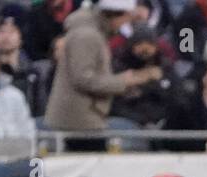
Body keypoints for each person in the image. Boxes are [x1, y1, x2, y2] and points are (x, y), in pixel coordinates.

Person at [43, 0, 162, 151]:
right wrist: (124, 81)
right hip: (78, 120)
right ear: (116, 15)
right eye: (126, 18)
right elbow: (83, 79)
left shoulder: (94, 32)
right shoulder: (87, 35)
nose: (125, 24)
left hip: (86, 117)